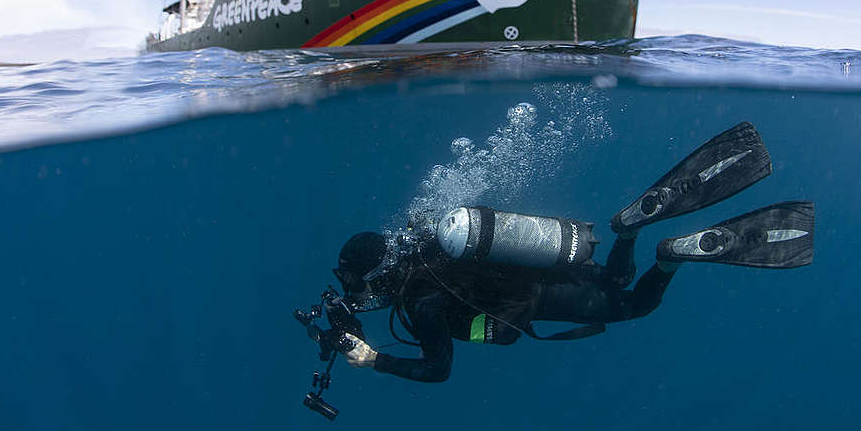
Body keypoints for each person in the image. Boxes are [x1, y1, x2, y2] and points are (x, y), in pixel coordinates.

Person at [331, 122, 815, 383]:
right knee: (617, 281)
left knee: (637, 305)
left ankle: (670, 254)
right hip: (550, 258)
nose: (358, 291)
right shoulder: (421, 239)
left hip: (544, 298)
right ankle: (627, 228)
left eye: (355, 281)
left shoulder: (420, 303)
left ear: (374, 273)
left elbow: (438, 371)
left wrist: (374, 359)